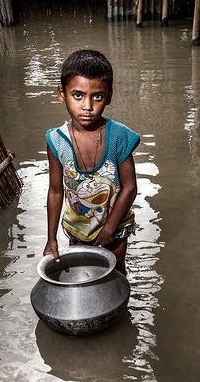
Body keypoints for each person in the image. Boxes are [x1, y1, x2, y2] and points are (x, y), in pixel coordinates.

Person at [44, 49, 139, 275]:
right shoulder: (57, 141)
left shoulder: (118, 136)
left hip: (115, 226)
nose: (87, 106)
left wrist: (109, 228)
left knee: (116, 271)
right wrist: (51, 238)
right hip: (77, 228)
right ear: (61, 93)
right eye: (78, 95)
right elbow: (56, 191)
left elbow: (130, 187)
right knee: (81, 274)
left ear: (108, 96)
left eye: (97, 96)